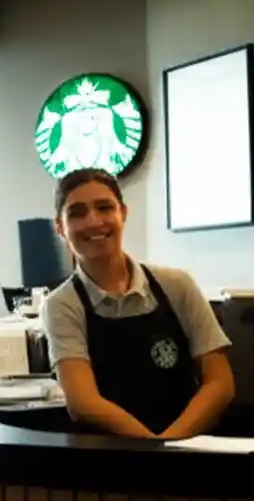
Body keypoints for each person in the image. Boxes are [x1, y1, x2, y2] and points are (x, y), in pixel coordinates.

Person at [40, 168, 235, 439]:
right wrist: (152, 450)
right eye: (77, 213)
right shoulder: (61, 304)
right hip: (111, 461)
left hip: (190, 451)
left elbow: (220, 382)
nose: (94, 221)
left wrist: (171, 443)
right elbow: (83, 404)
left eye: (104, 207)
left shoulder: (177, 285)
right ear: (60, 227)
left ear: (123, 213)